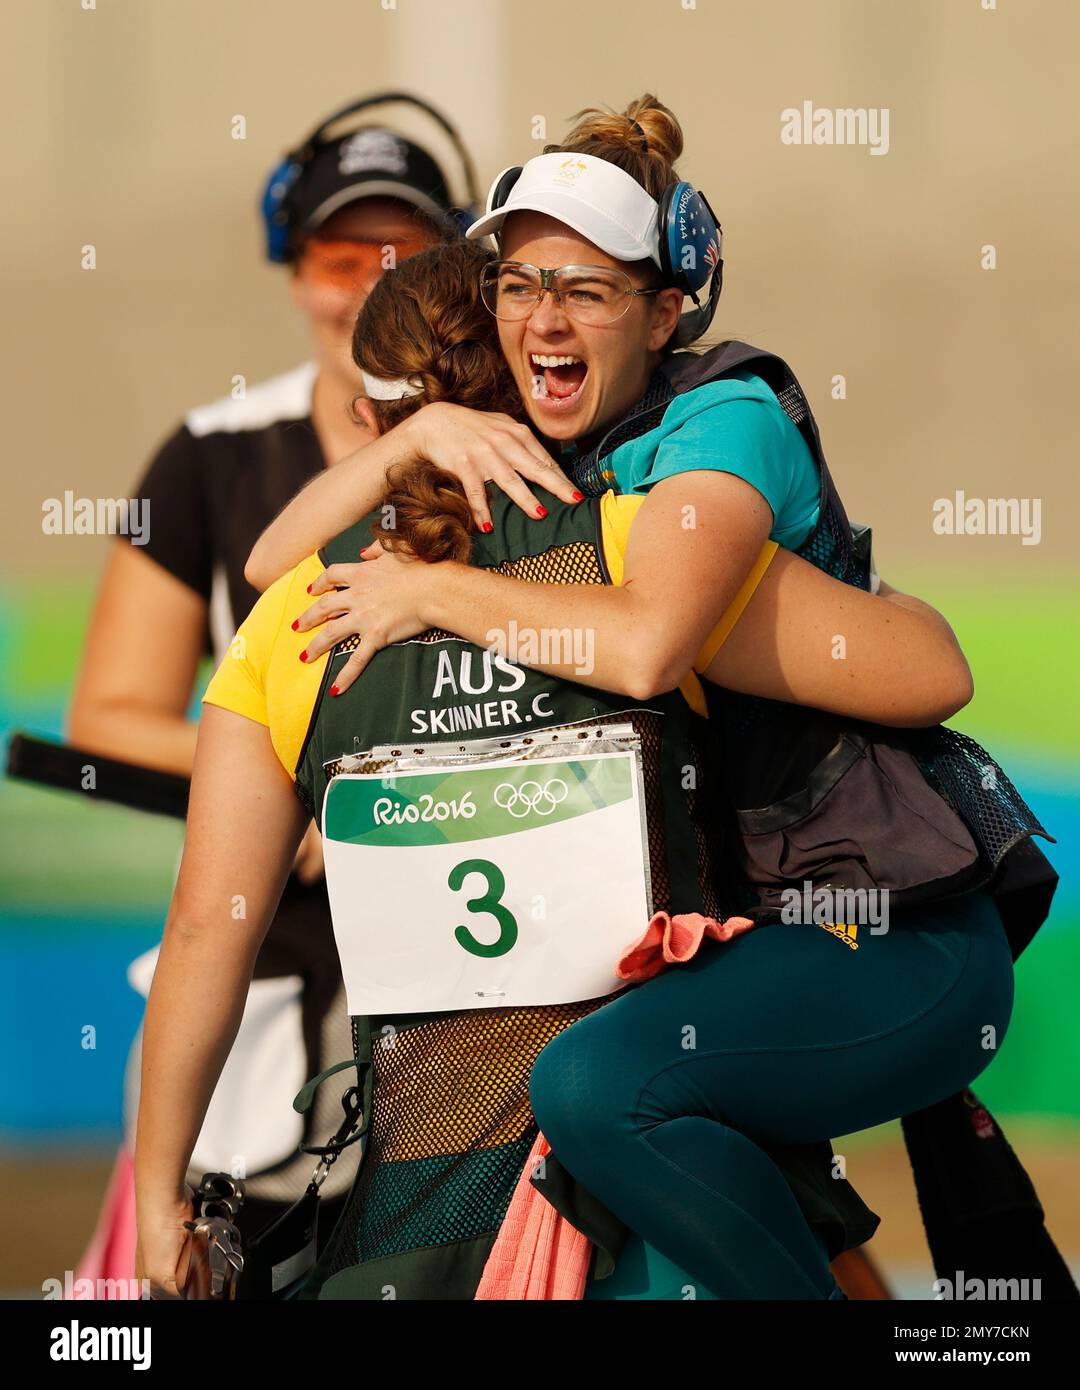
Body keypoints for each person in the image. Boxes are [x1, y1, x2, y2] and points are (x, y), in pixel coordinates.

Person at [240, 95, 1058, 1298]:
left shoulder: (720, 413)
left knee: (591, 1086)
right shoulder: (551, 443)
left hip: (884, 928)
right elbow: (273, 574)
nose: (545, 316)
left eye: (587, 287)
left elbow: (648, 647)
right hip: (753, 943)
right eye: (520, 285)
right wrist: (405, 449)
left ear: (666, 311)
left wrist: (435, 595)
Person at [66, 94, 476, 1291]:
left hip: (477, 990)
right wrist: (290, 793)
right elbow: (111, 715)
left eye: (399, 257)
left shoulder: (511, 447)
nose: (365, 285)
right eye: (338, 256)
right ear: (293, 270)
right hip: (281, 979)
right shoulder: (208, 456)